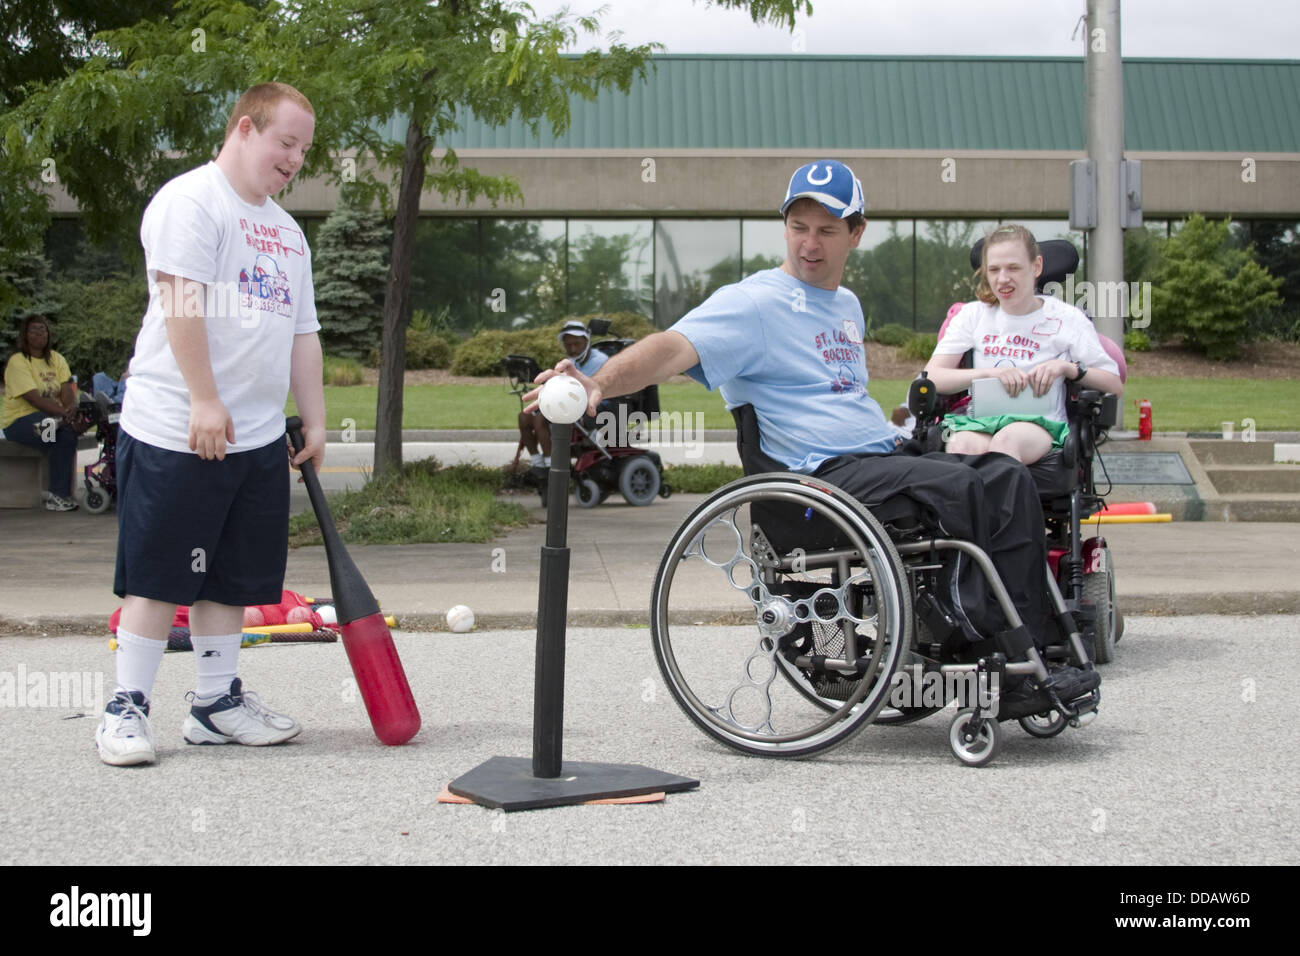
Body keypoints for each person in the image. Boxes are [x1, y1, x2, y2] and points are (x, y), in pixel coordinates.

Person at [527, 160, 1098, 718]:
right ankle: (989, 654)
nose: (810, 243)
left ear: (856, 233)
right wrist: (598, 382)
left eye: (827, 230)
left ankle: (1032, 648)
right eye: (798, 227)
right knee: (964, 488)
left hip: (877, 456)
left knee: (1006, 474)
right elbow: (672, 347)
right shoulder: (753, 302)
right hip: (818, 478)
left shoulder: (846, 305)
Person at [94, 82, 327, 767]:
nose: (294, 160)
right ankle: (125, 709)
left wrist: (313, 420)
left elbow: (303, 334)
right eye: (286, 143)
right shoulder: (190, 201)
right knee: (160, 576)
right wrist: (204, 399)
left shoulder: (287, 233)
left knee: (232, 577)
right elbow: (180, 301)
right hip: (177, 424)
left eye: (304, 151)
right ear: (245, 128)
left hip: (254, 436)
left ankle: (215, 703)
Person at [924, 224, 1124, 464]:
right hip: (982, 419)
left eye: (1013, 268)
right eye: (994, 269)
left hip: (1037, 422)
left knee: (1005, 444)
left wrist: (1067, 369)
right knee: (961, 444)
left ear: (1036, 266)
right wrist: (989, 373)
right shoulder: (972, 315)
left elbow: (1113, 383)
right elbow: (932, 376)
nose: (1003, 279)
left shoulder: (1066, 318)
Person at [1, 316, 81, 511]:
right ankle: (57, 495)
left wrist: (69, 409)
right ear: (25, 336)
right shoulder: (17, 362)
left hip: (52, 419)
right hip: (17, 422)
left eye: (43, 330)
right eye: (34, 330)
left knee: (66, 435)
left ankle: (59, 495)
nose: (39, 334)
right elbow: (34, 399)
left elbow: (66, 389)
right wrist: (65, 414)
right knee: (54, 431)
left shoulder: (56, 359)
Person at [516, 320, 610, 477]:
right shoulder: (572, 362)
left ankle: (550, 465)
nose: (572, 349)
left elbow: (582, 390)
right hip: (570, 401)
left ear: (586, 341)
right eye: (568, 345)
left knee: (540, 419)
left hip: (594, 406)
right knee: (524, 417)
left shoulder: (599, 361)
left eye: (576, 344)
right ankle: (537, 462)